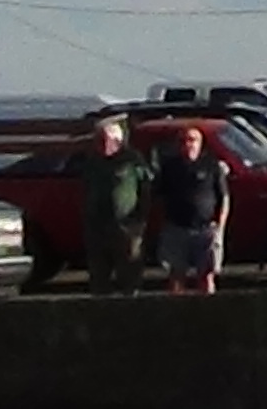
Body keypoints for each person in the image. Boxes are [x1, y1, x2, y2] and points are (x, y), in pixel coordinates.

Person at [149, 118, 232, 295]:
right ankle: (177, 316)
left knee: (206, 275)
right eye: (183, 141)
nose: (188, 144)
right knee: (176, 276)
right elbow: (156, 195)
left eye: (192, 140)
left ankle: (209, 312)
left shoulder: (211, 165)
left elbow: (223, 197)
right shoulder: (170, 167)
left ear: (200, 144)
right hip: (177, 229)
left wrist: (220, 226)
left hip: (206, 229)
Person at [74, 115, 149, 294]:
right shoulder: (92, 161)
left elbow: (146, 190)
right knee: (99, 276)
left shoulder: (132, 160)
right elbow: (85, 188)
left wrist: (139, 221)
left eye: (105, 140)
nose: (101, 144)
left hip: (125, 228)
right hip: (97, 228)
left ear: (117, 140)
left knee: (129, 275)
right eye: (98, 140)